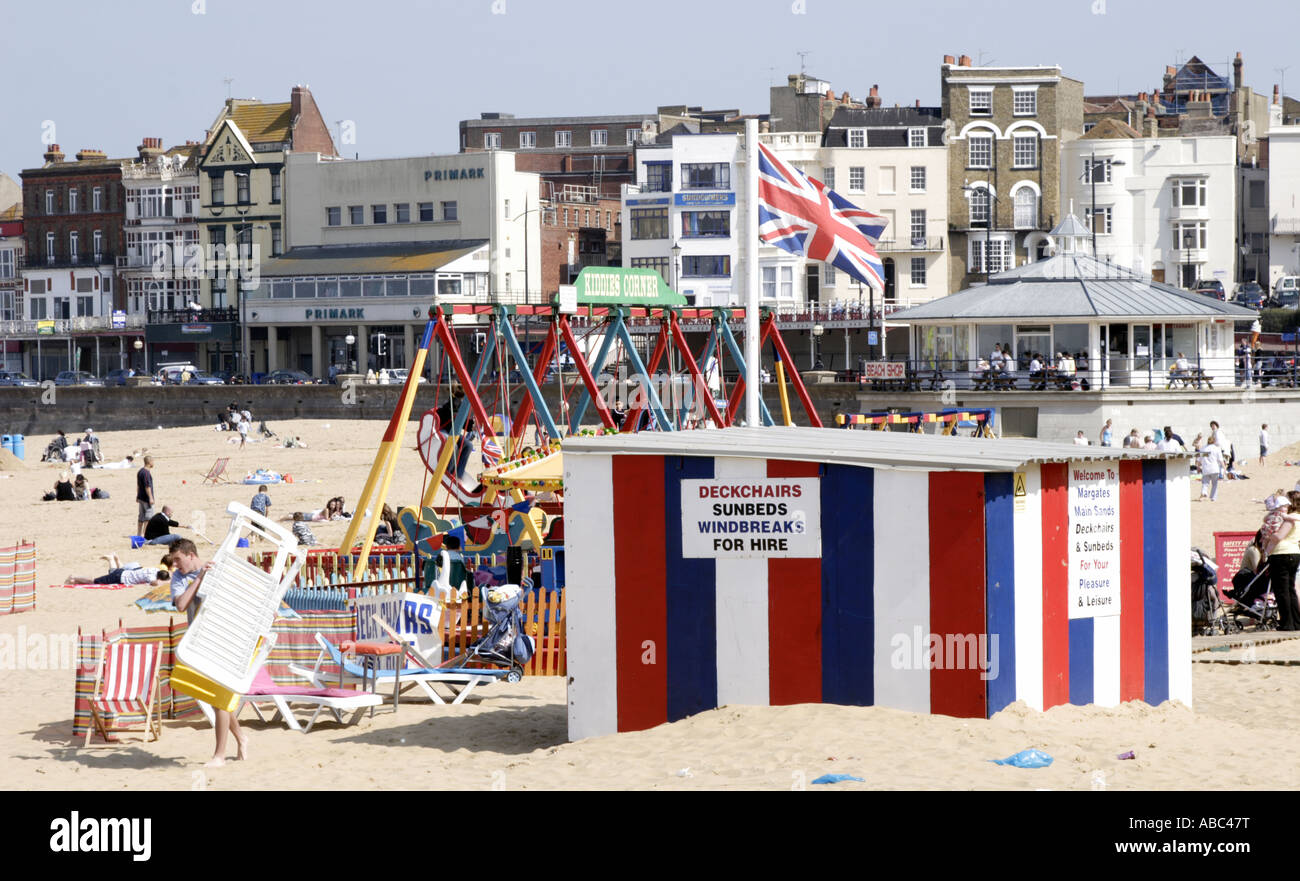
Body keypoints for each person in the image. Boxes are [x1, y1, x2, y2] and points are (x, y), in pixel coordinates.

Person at [170, 539, 248, 765]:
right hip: (198, 643)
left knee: (220, 697)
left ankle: (219, 755)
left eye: (178, 559)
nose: (175, 565)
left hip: (222, 640)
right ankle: (242, 739)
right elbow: (182, 604)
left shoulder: (218, 570)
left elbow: (239, 597)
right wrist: (199, 578)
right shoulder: (179, 578)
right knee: (215, 700)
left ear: (191, 554)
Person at [1267, 492, 1300, 631]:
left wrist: (1269, 535)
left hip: (1281, 553)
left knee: (1282, 590)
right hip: (1294, 551)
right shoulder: (1296, 518)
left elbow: (1278, 537)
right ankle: (1296, 622)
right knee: (1290, 589)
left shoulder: (1289, 520)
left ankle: (1287, 623)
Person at [67, 554, 170, 586]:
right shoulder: (151, 577)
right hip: (120, 577)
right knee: (94, 581)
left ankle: (74, 581)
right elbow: (156, 583)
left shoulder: (154, 569)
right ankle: (74, 576)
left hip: (122, 573)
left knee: (112, 572)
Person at [1196, 437, 1224, 501]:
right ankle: (1213, 498)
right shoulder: (1217, 448)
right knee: (1214, 484)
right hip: (1214, 469)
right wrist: (1224, 468)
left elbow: (1199, 460)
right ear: (1214, 441)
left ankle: (1204, 492)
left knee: (1205, 483)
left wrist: (1198, 467)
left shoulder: (1203, 448)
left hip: (1205, 469)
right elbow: (1220, 460)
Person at [136, 455, 155, 537]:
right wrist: (151, 497)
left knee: (141, 517)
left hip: (140, 497)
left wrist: (137, 496)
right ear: (149, 462)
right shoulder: (146, 473)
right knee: (148, 517)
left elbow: (138, 485)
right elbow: (147, 486)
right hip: (146, 498)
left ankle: (139, 533)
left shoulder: (140, 471)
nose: (154, 463)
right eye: (153, 461)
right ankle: (144, 534)